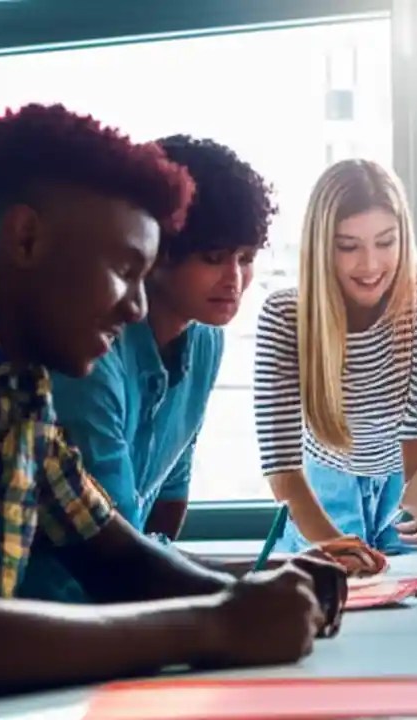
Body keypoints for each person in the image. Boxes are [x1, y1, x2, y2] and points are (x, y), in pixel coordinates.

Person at [0, 104, 345, 710]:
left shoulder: (20, 387)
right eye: (123, 270)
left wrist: (252, 595)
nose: (137, 309)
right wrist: (213, 624)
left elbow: (113, 551)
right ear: (26, 237)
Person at [18, 135, 282, 602]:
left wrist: (269, 576)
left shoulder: (206, 340)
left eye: (246, 259)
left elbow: (167, 501)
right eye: (213, 258)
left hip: (130, 594)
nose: (234, 279)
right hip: (53, 605)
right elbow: (114, 546)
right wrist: (251, 584)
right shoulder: (90, 348)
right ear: (157, 254)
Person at [253, 159, 417, 555]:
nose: (370, 265)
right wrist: (332, 545)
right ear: (322, 247)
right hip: (323, 483)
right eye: (348, 247)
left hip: (404, 471)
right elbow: (282, 465)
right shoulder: (284, 316)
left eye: (386, 242)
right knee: (337, 582)